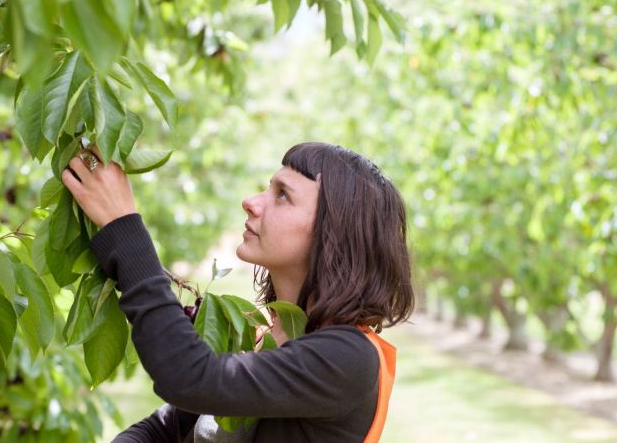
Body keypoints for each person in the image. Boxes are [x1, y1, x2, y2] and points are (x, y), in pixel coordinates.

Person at [61, 142, 414, 442]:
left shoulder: (348, 359)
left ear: (334, 233)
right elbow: (167, 426)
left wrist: (123, 227)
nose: (251, 201)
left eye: (283, 195)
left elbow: (188, 377)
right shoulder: (263, 335)